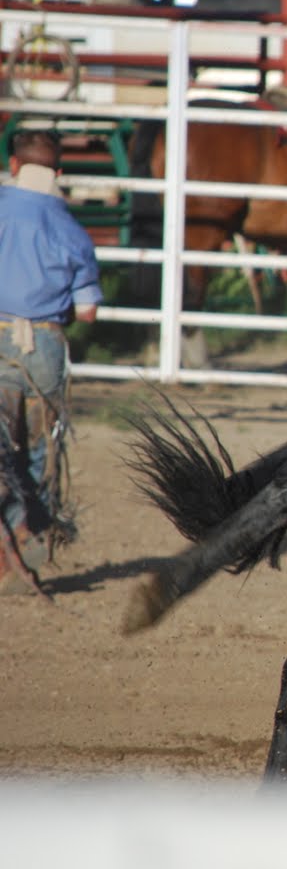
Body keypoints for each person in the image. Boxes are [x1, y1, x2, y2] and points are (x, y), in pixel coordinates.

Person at [0, 130, 102, 594]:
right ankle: (28, 531)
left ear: (14, 165)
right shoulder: (71, 231)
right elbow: (87, 311)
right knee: (39, 453)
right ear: (58, 173)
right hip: (43, 345)